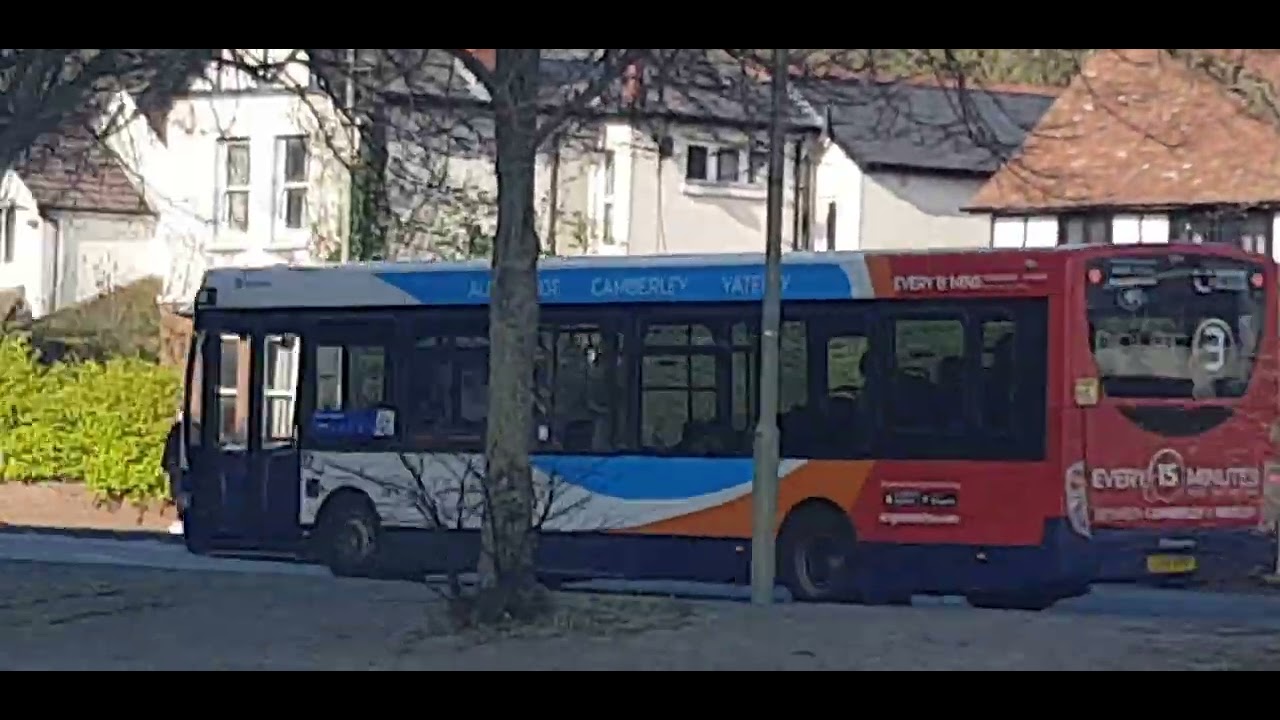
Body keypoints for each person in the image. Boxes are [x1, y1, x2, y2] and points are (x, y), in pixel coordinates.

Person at [162, 412, 185, 536]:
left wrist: (167, 465)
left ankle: (182, 519)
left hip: (177, 466)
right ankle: (181, 518)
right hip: (178, 466)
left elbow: (169, 448)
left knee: (179, 492)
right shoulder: (180, 430)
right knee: (179, 492)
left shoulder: (177, 430)